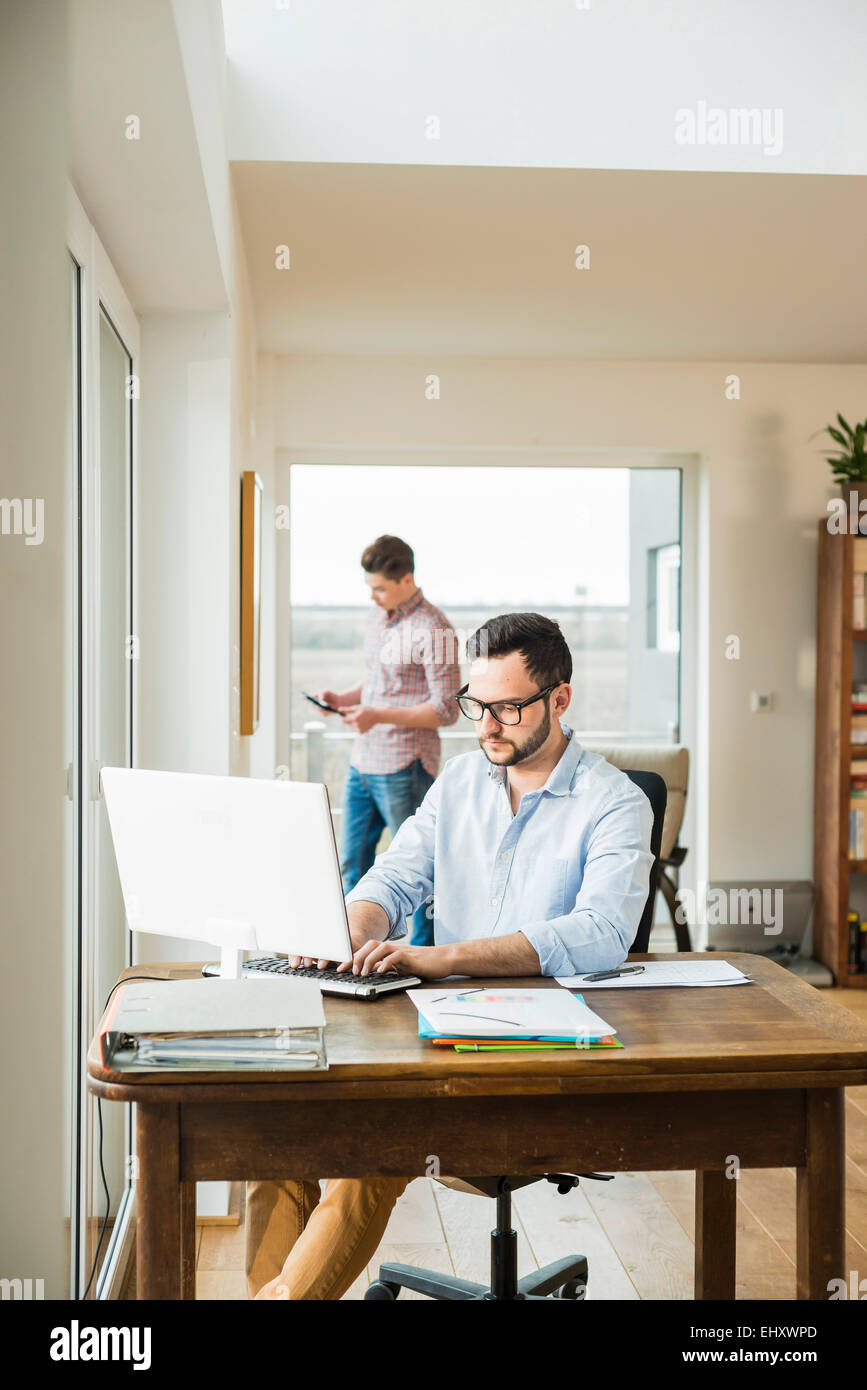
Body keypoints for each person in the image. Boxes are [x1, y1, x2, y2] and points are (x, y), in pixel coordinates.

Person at [246, 612, 654, 1300]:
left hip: (545, 1068)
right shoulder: (462, 781)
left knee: (365, 1149)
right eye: (473, 704)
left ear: (559, 699)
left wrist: (438, 958)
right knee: (278, 1132)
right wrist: (349, 925)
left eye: (506, 708)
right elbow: (395, 874)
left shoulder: (612, 803)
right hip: (437, 1042)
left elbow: (599, 933)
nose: (485, 725)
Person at [318, 534, 461, 946]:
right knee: (350, 867)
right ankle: (342, 953)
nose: (374, 597)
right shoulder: (379, 618)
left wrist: (377, 715)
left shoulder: (434, 629)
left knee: (419, 874)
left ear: (407, 578)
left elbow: (447, 709)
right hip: (363, 762)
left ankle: (425, 962)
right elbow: (380, 680)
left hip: (405, 766)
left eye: (380, 588)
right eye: (370, 588)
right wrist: (344, 698)